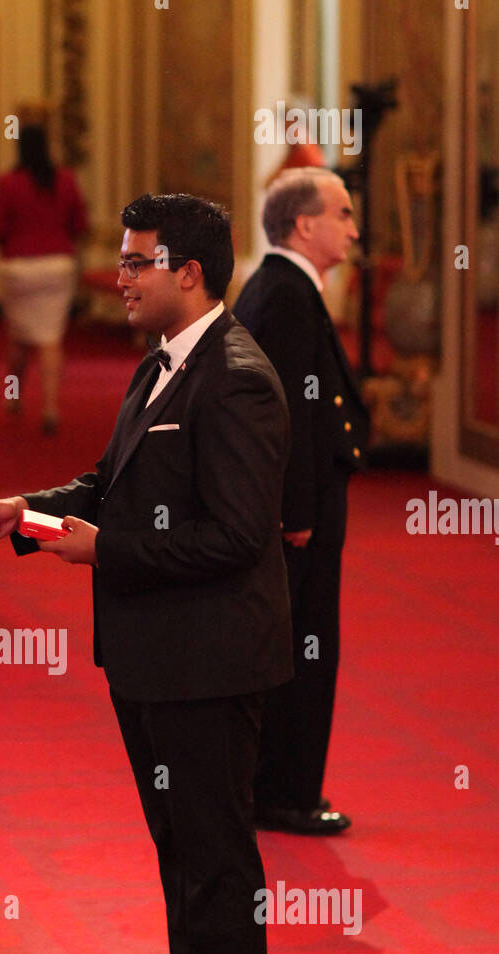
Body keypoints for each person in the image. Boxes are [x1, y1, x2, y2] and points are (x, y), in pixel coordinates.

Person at [0, 194, 292, 954]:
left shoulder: (234, 376)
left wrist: (105, 550)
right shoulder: (161, 361)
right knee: (179, 851)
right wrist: (32, 515)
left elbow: (235, 536)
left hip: (209, 661)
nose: (116, 277)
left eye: (133, 262)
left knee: (214, 856)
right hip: (158, 655)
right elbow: (111, 483)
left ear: (186, 273)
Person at [232, 168, 369, 834]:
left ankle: (279, 786)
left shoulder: (283, 287)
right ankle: (286, 793)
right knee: (304, 647)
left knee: (298, 645)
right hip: (301, 510)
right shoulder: (286, 294)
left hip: (304, 503)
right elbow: (284, 413)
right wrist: (298, 511)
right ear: (303, 224)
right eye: (342, 214)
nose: (353, 229)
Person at [0, 123, 89, 433]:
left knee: (18, 338)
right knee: (51, 339)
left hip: (18, 267)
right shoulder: (66, 180)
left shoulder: (8, 182)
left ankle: (14, 398)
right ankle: (50, 408)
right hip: (57, 266)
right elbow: (80, 224)